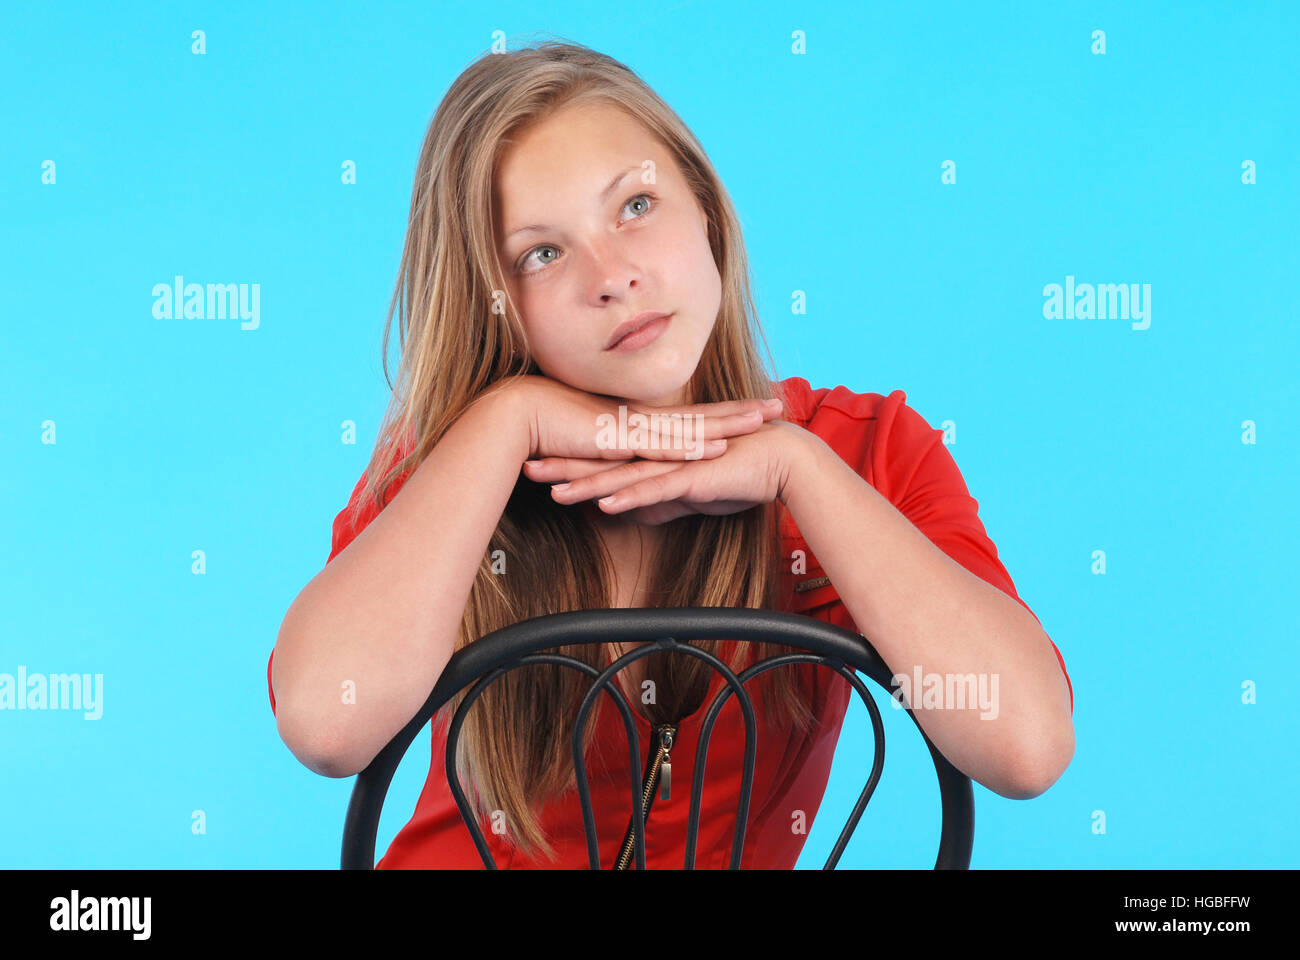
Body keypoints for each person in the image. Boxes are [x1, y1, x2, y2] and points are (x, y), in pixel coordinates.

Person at [268, 39, 1075, 869]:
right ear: (498, 308)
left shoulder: (860, 450)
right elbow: (330, 724)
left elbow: (1027, 748)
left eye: (636, 206)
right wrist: (507, 420)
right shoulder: (457, 461)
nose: (612, 276)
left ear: (708, 213)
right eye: (541, 255)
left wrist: (796, 467)